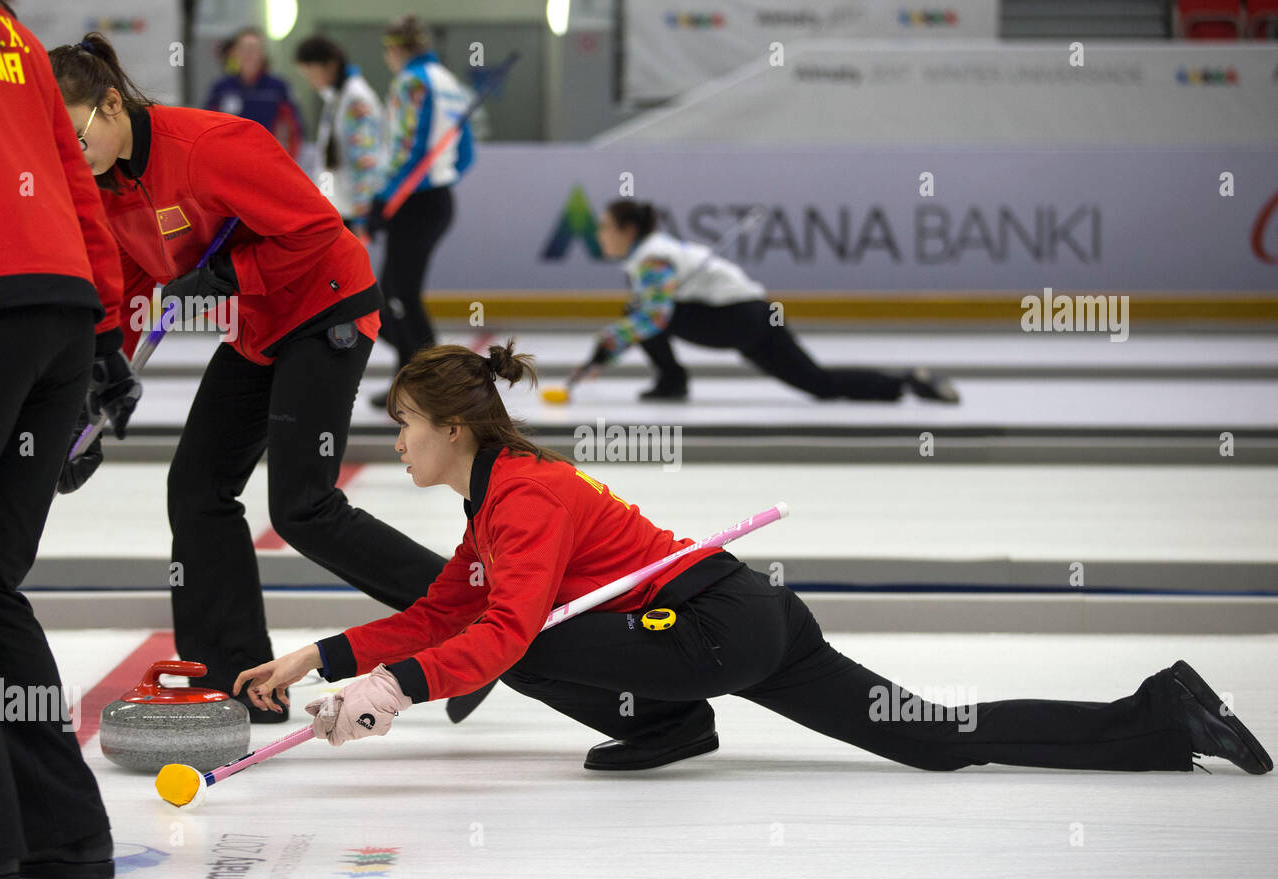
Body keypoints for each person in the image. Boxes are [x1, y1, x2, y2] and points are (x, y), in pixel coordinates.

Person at [232, 341, 1271, 779]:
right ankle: (1163, 712)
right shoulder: (491, 504)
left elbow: (496, 635)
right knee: (941, 742)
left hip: (712, 629)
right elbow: (434, 610)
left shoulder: (530, 498)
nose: (397, 443)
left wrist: (395, 690)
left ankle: (671, 721)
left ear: (456, 427)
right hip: (750, 620)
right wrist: (318, 660)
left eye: (405, 423)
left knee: (516, 646)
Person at [49, 32, 445, 722]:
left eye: (75, 140)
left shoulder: (213, 147)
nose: (70, 161)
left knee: (303, 507)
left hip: (325, 306)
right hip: (261, 327)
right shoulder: (109, 186)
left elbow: (316, 233)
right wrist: (97, 380)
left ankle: (462, 613)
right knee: (197, 486)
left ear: (111, 104)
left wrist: (230, 273)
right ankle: (236, 678)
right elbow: (136, 277)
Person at [0, 0, 127, 879]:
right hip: (59, 310)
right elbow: (73, 177)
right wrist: (104, 332)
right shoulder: (9, 34)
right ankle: (63, 834)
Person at [579, 200, 960, 403]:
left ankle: (672, 382)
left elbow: (654, 317)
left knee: (638, 313)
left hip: (740, 319)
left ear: (627, 230)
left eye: (604, 227)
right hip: (754, 315)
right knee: (819, 384)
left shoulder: (653, 258)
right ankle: (905, 383)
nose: (600, 236)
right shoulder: (652, 252)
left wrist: (602, 351)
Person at [366, 13, 474, 405]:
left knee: (395, 294)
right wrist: (440, 178)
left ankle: (431, 380)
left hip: (412, 199)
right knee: (397, 291)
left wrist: (383, 197)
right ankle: (415, 375)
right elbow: (466, 153)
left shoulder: (411, 81)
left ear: (394, 49)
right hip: (437, 198)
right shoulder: (448, 80)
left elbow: (404, 147)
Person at [293, 35, 382, 236]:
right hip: (335, 208)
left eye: (312, 73)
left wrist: (362, 213)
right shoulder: (335, 96)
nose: (311, 81)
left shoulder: (355, 98)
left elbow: (364, 159)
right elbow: (327, 161)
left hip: (350, 210)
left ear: (330, 65)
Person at [204, 26, 303, 159]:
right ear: (234, 53)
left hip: (268, 160)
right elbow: (208, 128)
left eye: (254, 49)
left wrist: (288, 161)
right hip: (230, 161)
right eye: (244, 49)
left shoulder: (278, 88)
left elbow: (294, 129)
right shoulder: (221, 88)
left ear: (262, 54)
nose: (249, 54)